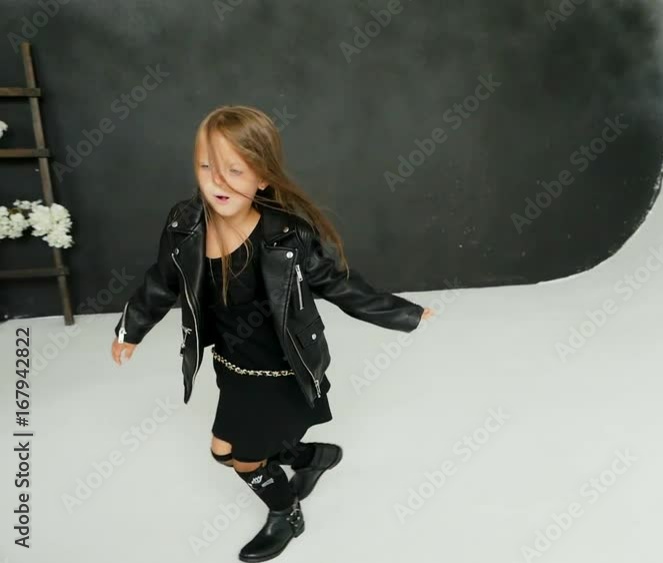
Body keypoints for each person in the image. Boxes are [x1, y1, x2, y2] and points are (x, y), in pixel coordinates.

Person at [109, 105, 433, 562]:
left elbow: (338, 283)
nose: (217, 182)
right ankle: (307, 458)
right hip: (233, 363)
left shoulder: (286, 235)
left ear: (262, 177)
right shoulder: (186, 223)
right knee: (228, 454)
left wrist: (405, 313)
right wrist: (131, 328)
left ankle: (286, 513)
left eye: (234, 171)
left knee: (234, 456)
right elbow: (162, 280)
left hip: (281, 368)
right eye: (207, 167)